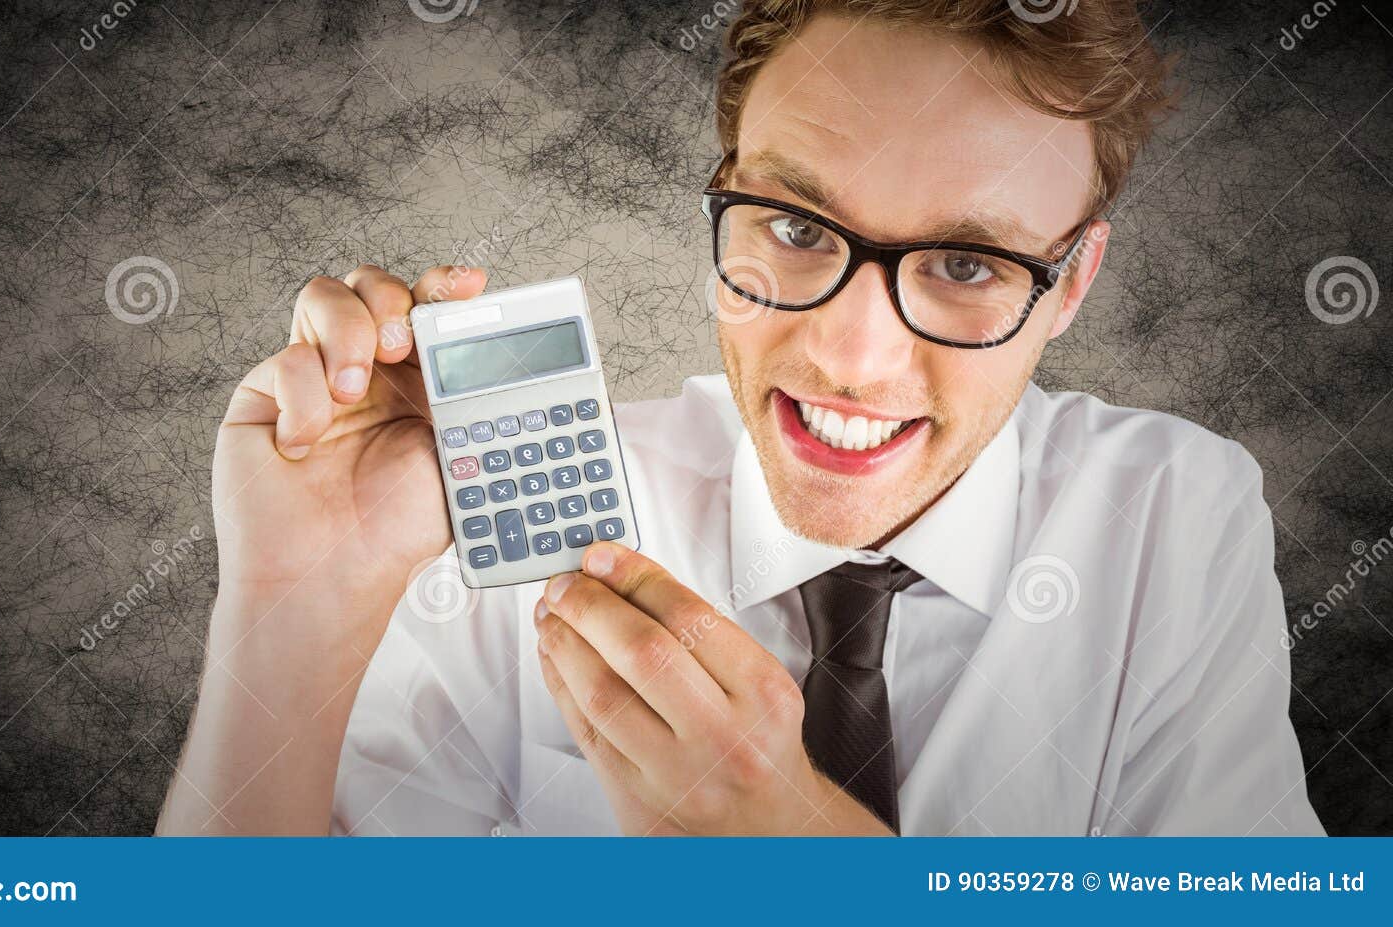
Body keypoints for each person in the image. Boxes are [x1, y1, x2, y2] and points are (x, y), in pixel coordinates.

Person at [157, 0, 1322, 836]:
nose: (851, 357)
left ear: (1068, 284)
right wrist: (292, 611)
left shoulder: (1172, 513)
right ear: (722, 206)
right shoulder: (489, 524)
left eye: (967, 263)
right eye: (798, 229)